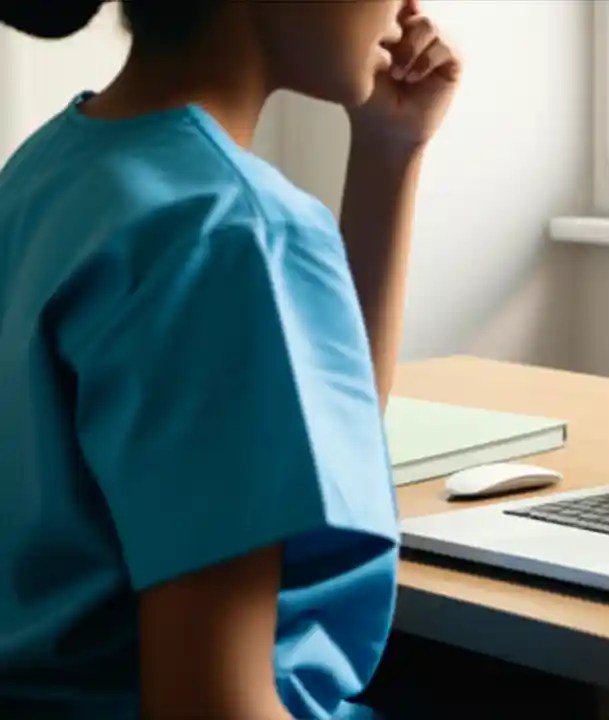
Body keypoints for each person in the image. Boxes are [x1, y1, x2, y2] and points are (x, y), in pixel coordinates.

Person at [0, 0, 459, 717]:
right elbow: (210, 704)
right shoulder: (231, 232)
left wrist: (387, 149)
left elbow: (295, 438)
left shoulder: (55, 167)